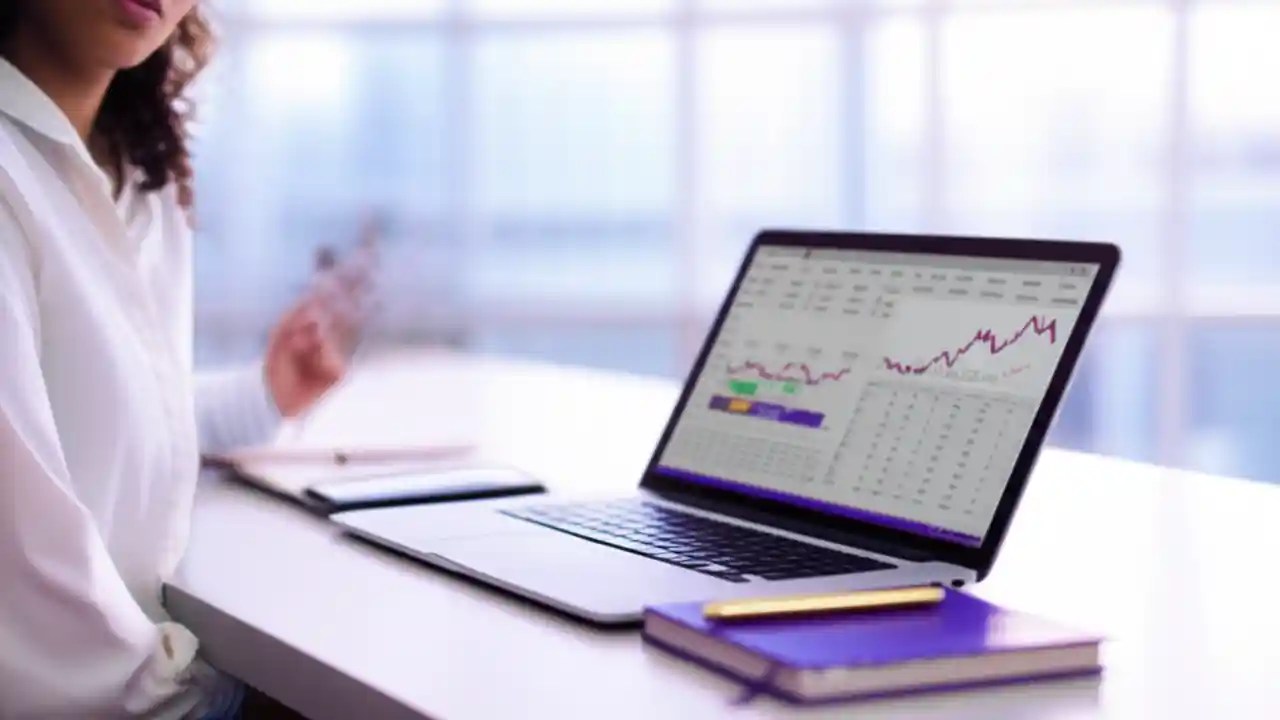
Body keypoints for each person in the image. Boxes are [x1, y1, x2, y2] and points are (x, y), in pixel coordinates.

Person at [0, 0, 370, 716]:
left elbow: (90, 421)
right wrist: (216, 699)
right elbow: (21, 567)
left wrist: (264, 395)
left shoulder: (143, 171)